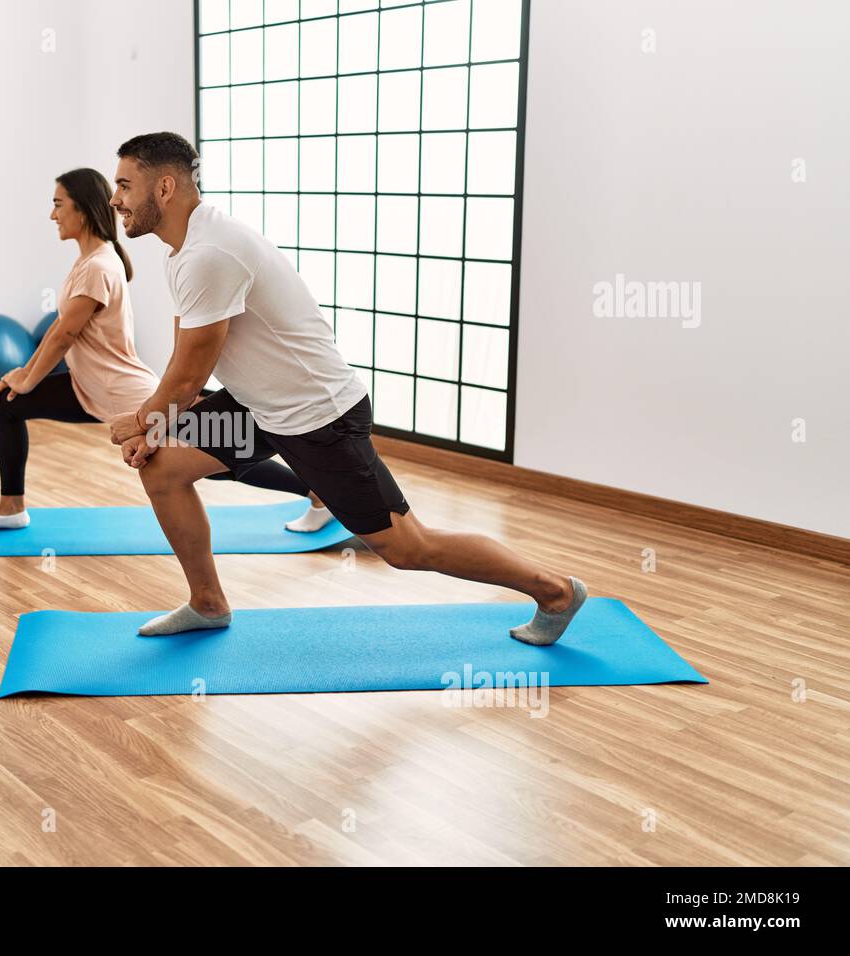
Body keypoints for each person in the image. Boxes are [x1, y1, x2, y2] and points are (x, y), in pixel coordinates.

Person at [105, 132, 588, 643]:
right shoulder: (182, 251)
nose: (115, 199)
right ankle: (208, 603)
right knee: (162, 470)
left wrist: (142, 422)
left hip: (319, 418)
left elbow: (186, 378)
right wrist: (157, 428)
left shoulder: (212, 253)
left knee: (407, 548)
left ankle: (554, 590)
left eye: (124, 185)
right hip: (260, 407)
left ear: (163, 188)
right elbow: (186, 359)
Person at [0, 166, 333, 533]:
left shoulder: (98, 265)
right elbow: (60, 326)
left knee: (216, 460)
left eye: (59, 204)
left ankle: (318, 492)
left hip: (120, 390)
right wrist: (22, 376)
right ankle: (11, 509)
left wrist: (27, 378)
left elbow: (64, 336)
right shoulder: (90, 260)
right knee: (7, 403)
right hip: (87, 386)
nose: (52, 214)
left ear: (83, 209)